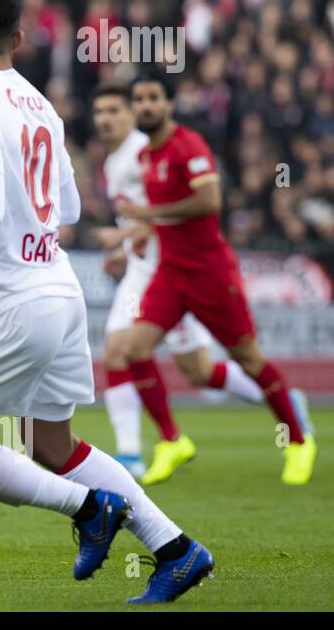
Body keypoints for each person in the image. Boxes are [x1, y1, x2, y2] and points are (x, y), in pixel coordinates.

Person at [0, 0, 212, 604]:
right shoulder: (41, 104)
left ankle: (88, 508)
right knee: (52, 444)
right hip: (62, 289)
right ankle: (177, 549)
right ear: (19, 38)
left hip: (17, 301)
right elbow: (65, 203)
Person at [115, 72, 317, 486]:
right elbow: (164, 219)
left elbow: (210, 201)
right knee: (133, 349)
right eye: (139, 99)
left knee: (250, 359)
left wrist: (146, 216)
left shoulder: (188, 145)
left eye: (153, 97)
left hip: (210, 274)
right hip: (170, 273)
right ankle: (172, 441)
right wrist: (138, 234)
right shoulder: (144, 158)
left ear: (169, 104)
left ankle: (297, 440)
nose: (145, 105)